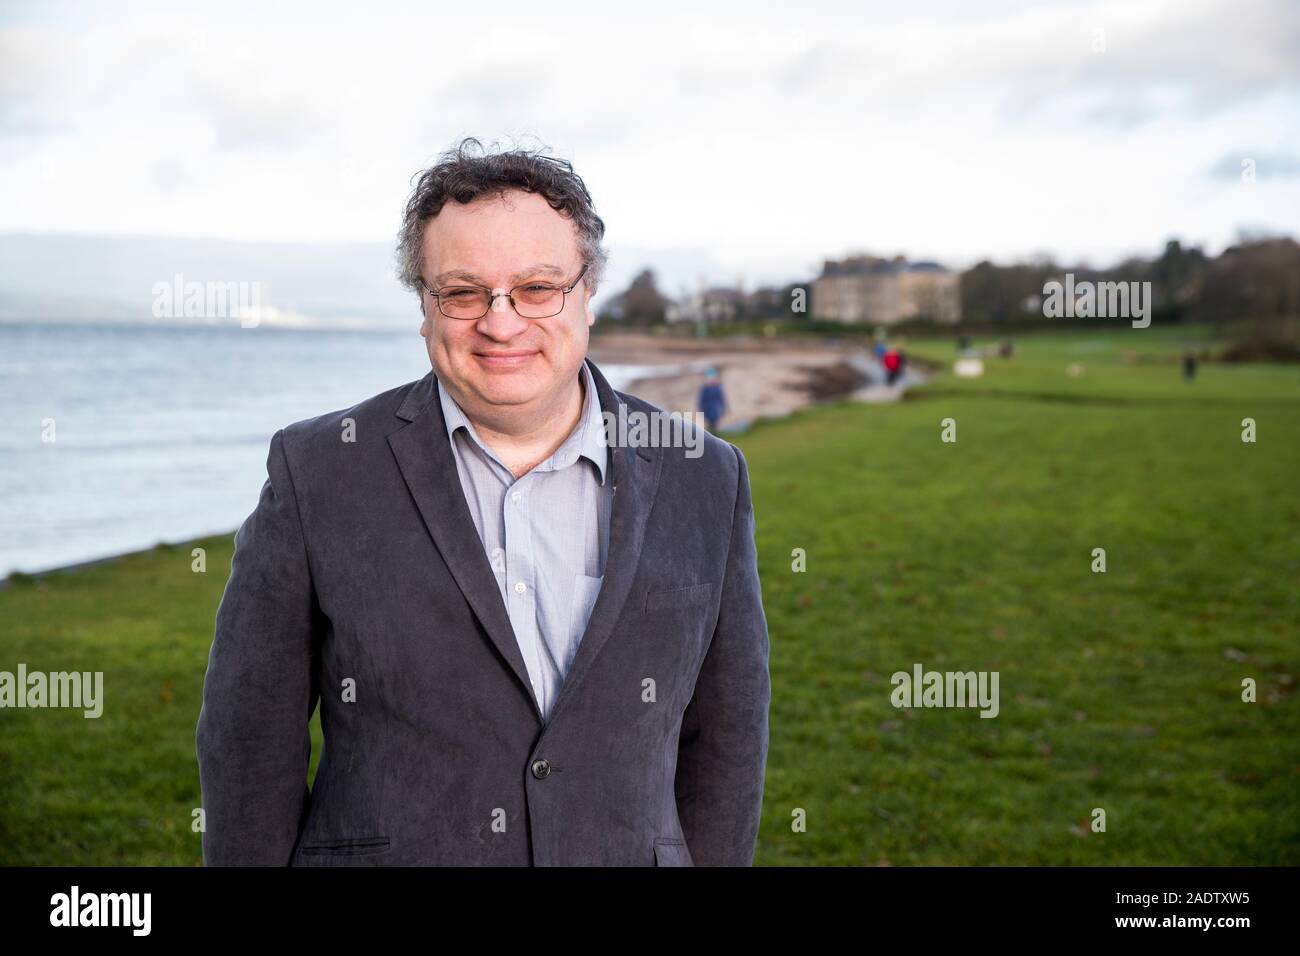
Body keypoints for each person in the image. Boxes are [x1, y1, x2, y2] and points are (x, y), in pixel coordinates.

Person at [195, 138, 771, 867]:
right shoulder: (318, 471)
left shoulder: (707, 477)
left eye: (537, 288)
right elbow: (249, 737)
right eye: (464, 293)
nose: (502, 324)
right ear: (425, 307)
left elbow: (729, 735)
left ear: (587, 292)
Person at [698, 366, 728, 431]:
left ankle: (715, 433)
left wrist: (724, 410)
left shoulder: (718, 388)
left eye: (713, 378)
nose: (711, 380)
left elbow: (722, 400)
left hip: (715, 411)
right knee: (709, 426)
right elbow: (701, 401)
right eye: (710, 379)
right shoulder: (705, 389)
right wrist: (701, 410)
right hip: (707, 411)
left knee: (715, 425)